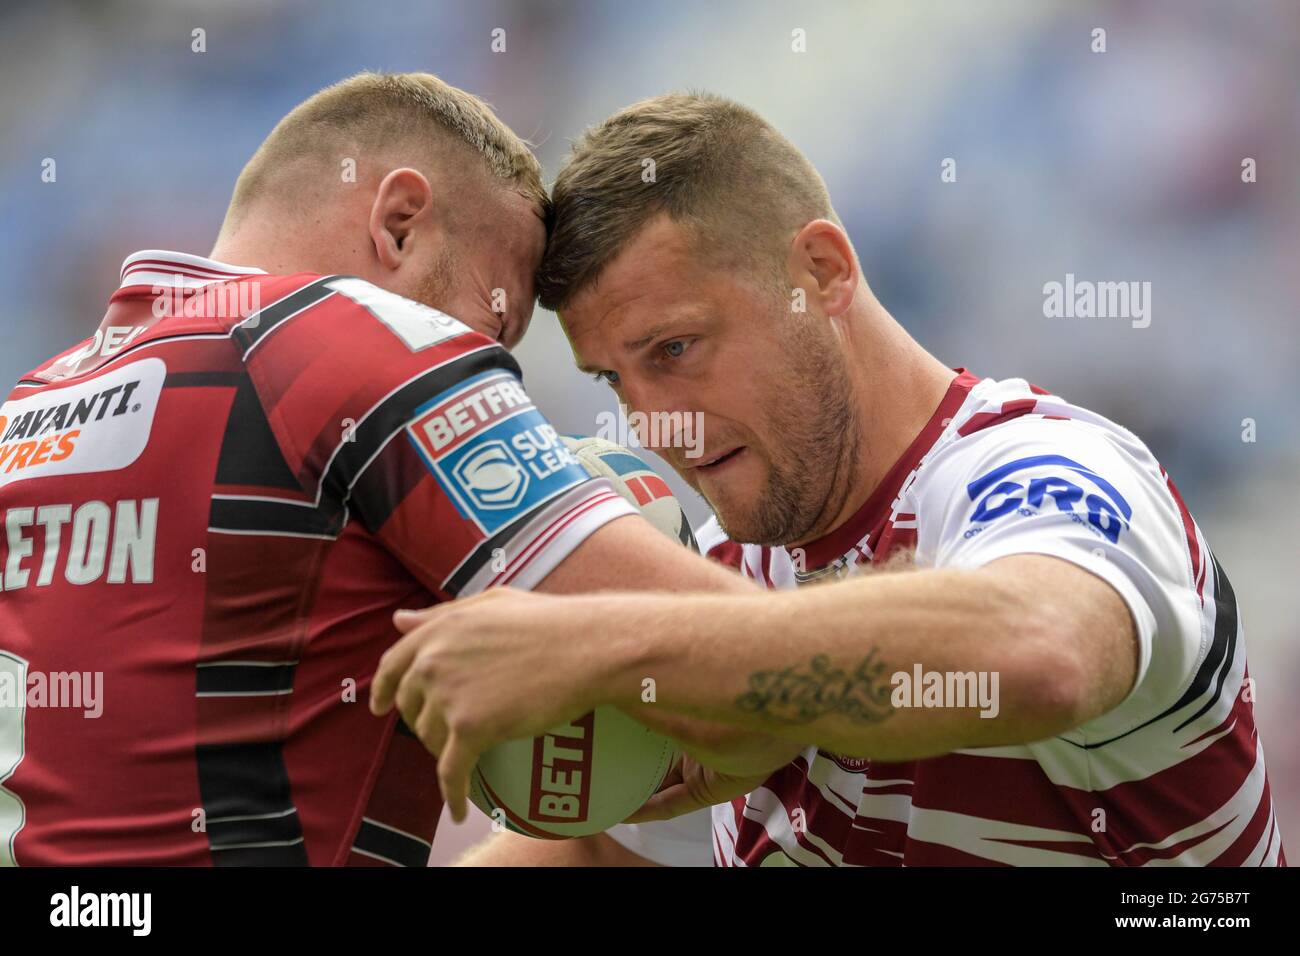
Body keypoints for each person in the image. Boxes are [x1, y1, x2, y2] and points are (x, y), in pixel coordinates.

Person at [380, 92, 1286, 867]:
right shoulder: (723, 572)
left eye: (676, 350)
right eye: (616, 380)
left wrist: (602, 642)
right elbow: (590, 847)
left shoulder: (1045, 470)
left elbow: (1038, 652)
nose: (656, 424)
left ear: (821, 272)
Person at [0, 74, 786, 867]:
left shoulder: (31, 406)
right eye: (496, 320)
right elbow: (743, 657)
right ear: (401, 224)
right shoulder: (345, 337)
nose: (490, 359)